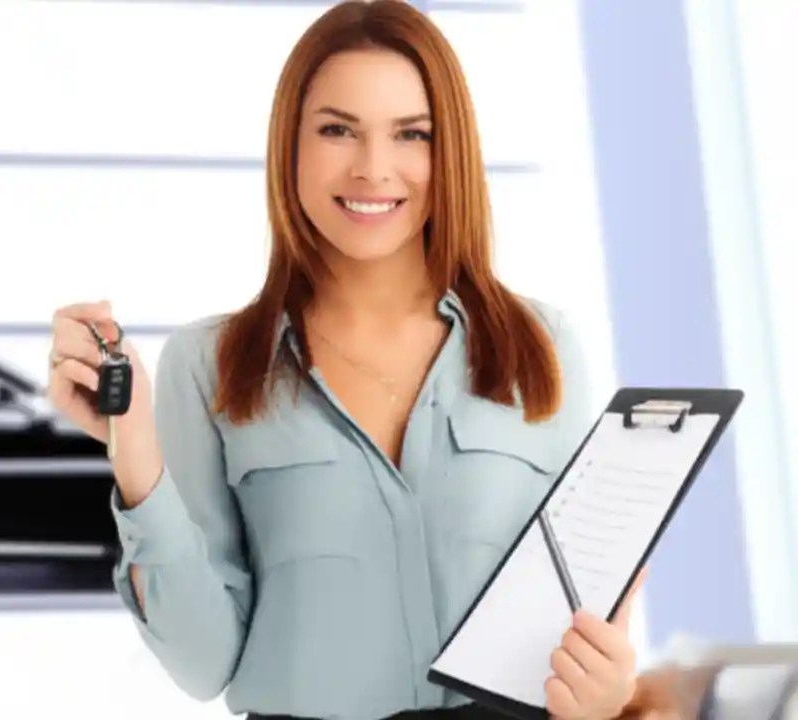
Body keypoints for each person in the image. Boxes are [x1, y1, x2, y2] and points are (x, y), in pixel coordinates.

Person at [48, 1, 675, 718]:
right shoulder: (210, 364)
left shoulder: (543, 347)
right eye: (338, 130)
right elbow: (201, 663)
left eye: (411, 134)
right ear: (292, 145)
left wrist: (606, 690)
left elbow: (583, 617)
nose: (375, 169)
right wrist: (134, 455)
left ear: (451, 153)